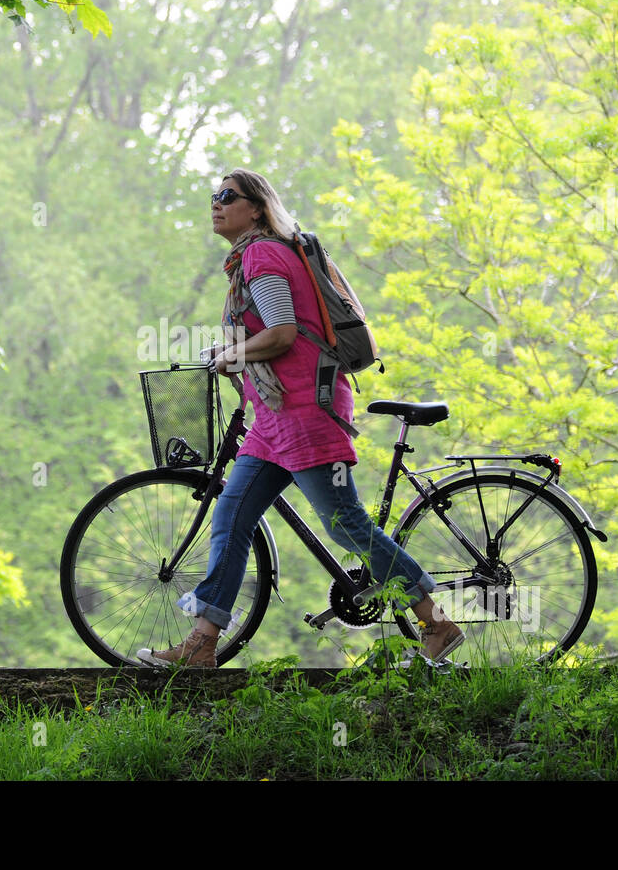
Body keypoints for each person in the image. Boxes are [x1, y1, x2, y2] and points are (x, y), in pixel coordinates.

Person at [135, 168, 465, 669]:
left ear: (257, 208)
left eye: (228, 196)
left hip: (305, 410)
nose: (216, 204)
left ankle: (437, 623)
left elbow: (284, 333)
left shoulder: (264, 254)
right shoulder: (253, 256)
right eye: (213, 196)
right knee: (232, 517)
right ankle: (202, 644)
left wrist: (234, 355)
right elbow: (274, 333)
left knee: (345, 524)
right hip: (274, 418)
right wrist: (232, 350)